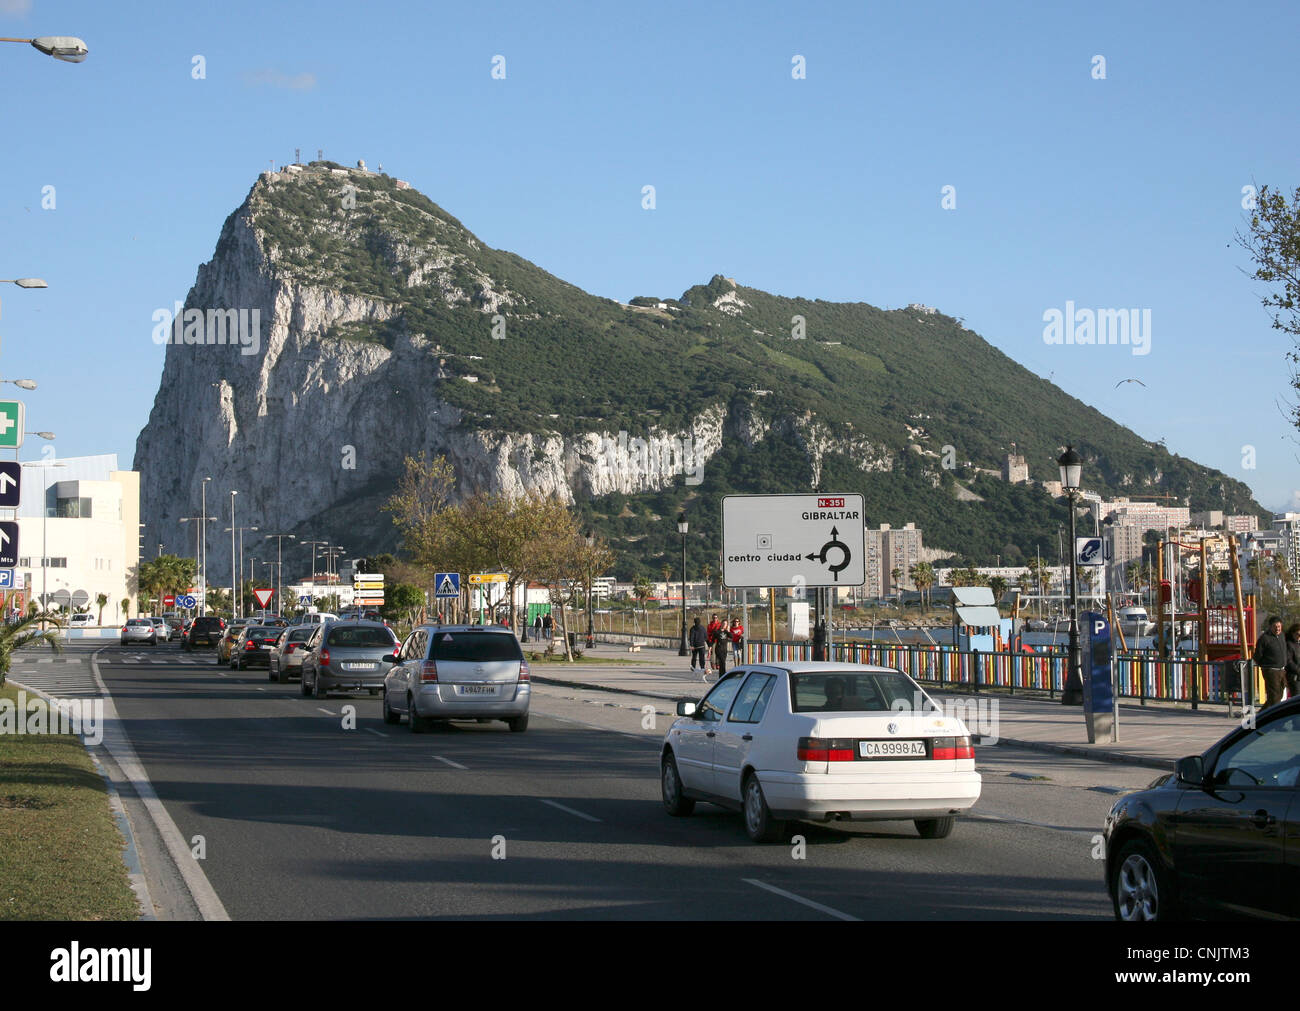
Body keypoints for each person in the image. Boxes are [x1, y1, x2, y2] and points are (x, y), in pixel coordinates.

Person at [1254, 615, 1288, 708]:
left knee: (1279, 695)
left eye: (1279, 626)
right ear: (1270, 627)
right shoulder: (1264, 638)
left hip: (1282, 669)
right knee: (1274, 696)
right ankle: (1274, 717)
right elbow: (1258, 655)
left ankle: (1261, 716)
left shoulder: (1282, 636)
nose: (1277, 629)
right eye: (1275, 627)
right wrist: (1265, 666)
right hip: (1271, 670)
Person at [1286, 622, 1300, 699]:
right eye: (1298, 634)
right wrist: (1298, 670)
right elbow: (1289, 661)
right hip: (1294, 677)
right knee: (1297, 698)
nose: (1299, 637)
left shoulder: (1298, 644)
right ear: (1292, 633)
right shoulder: (1289, 644)